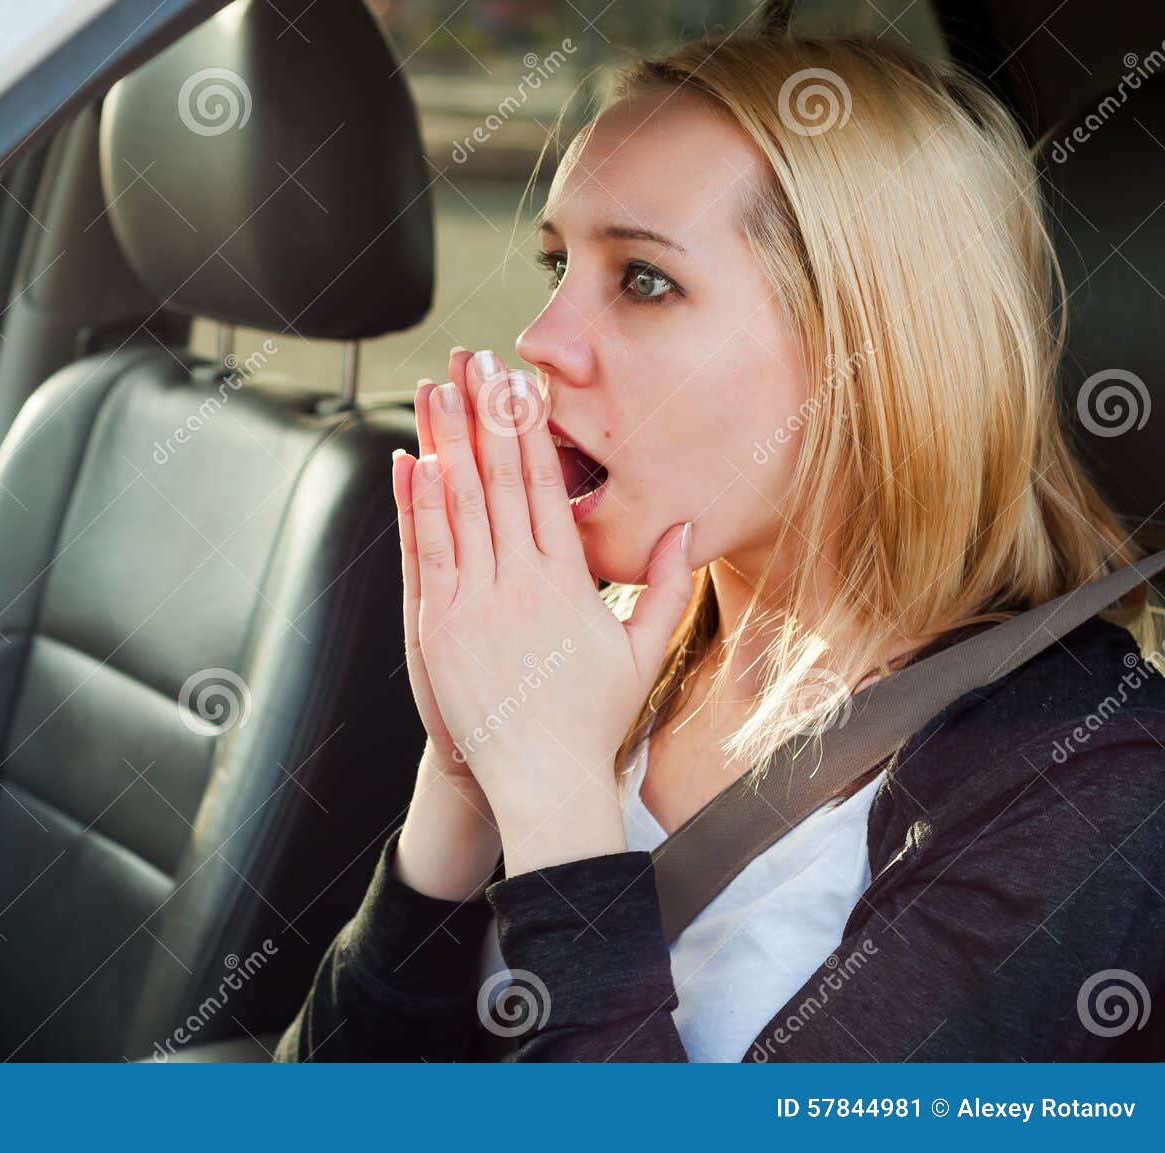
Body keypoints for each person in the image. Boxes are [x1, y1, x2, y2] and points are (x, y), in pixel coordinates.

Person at [274, 34, 1165, 1062]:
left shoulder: (1089, 785)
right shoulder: (603, 656)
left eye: (644, 279)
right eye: (560, 263)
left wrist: (557, 797)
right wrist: (465, 785)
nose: (542, 337)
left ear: (869, 353)